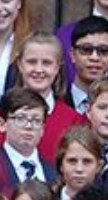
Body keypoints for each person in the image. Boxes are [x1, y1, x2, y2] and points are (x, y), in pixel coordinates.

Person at [5, 33, 83, 162]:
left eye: (46, 63)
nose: (39, 69)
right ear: (19, 64)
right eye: (31, 62)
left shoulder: (75, 121)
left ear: (57, 67)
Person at [0, 86, 55, 192]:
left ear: (42, 129)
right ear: (1, 124)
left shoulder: (53, 173)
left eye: (36, 120)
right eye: (20, 118)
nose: (28, 126)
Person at [62, 17, 108, 114]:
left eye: (103, 50)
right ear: (72, 54)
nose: (94, 57)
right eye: (86, 49)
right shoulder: (54, 104)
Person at [54, 126, 107, 200]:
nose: (79, 169)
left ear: (99, 166)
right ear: (61, 165)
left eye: (87, 162)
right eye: (72, 161)